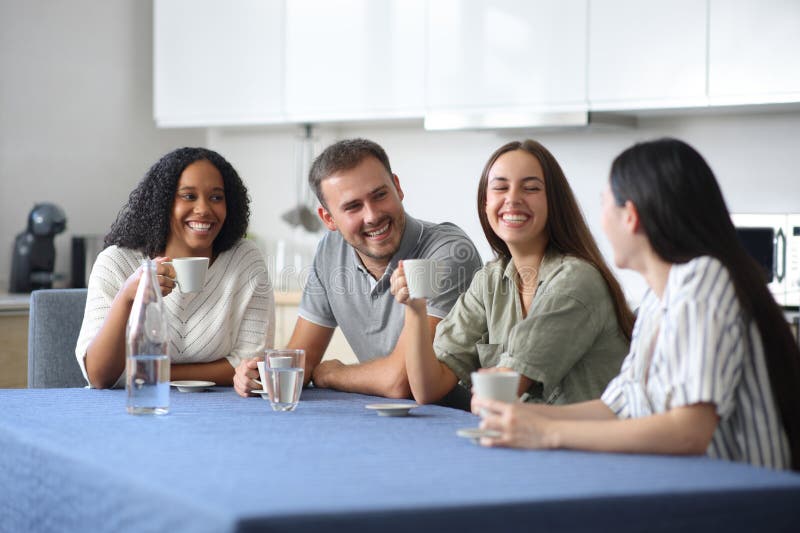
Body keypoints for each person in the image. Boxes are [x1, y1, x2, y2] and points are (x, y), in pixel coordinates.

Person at [472, 138, 800, 471]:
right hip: (689, 483)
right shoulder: (657, 299)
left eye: (604, 204)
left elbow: (689, 432)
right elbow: (617, 408)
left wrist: (547, 433)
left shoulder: (702, 280)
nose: (600, 221)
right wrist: (521, 415)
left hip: (741, 492)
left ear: (629, 216)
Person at [392, 140, 633, 408]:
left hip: (582, 435)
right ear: (485, 203)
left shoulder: (576, 279)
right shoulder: (490, 280)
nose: (513, 199)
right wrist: (415, 308)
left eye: (531, 188)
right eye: (500, 187)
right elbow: (427, 389)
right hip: (520, 431)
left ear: (554, 202)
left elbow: (498, 394)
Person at [233, 138, 482, 398]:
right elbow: (302, 359)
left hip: (456, 415)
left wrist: (332, 373)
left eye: (380, 195)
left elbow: (402, 381)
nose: (372, 216)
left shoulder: (448, 251)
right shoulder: (331, 250)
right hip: (382, 413)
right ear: (328, 218)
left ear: (397, 187)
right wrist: (260, 373)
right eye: (353, 207)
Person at [75, 147, 275, 388]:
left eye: (216, 198)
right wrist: (127, 296)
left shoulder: (244, 259)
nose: (204, 209)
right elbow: (99, 376)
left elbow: (250, 364)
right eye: (189, 196)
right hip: (136, 405)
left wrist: (144, 372)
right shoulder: (116, 263)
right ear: (163, 202)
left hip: (222, 406)